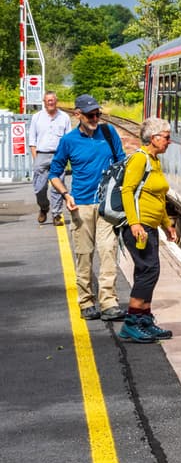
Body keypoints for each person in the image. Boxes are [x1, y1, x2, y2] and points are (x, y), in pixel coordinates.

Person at [47, 94, 126, 321]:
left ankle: (109, 301)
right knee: (84, 254)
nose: (95, 118)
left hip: (106, 205)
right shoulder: (69, 141)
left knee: (109, 250)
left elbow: (122, 164)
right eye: (90, 115)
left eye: (97, 114)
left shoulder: (109, 134)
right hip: (80, 204)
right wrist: (65, 195)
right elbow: (54, 173)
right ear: (77, 115)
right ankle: (86, 301)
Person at [117, 117, 178, 343]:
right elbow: (127, 191)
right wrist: (134, 224)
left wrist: (166, 224)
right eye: (167, 137)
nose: (169, 142)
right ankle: (131, 324)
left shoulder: (154, 160)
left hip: (150, 227)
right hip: (139, 228)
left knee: (149, 272)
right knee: (147, 271)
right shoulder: (139, 160)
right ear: (154, 138)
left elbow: (159, 198)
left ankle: (144, 320)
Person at [28, 91, 72, 225]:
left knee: (57, 187)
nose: (50, 102)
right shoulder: (37, 117)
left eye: (52, 100)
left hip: (58, 155)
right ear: (44, 102)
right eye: (48, 100)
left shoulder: (64, 117)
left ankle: (56, 214)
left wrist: (66, 156)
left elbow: (68, 139)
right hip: (41, 154)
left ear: (56, 101)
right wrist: (36, 158)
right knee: (39, 188)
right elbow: (32, 140)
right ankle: (43, 207)